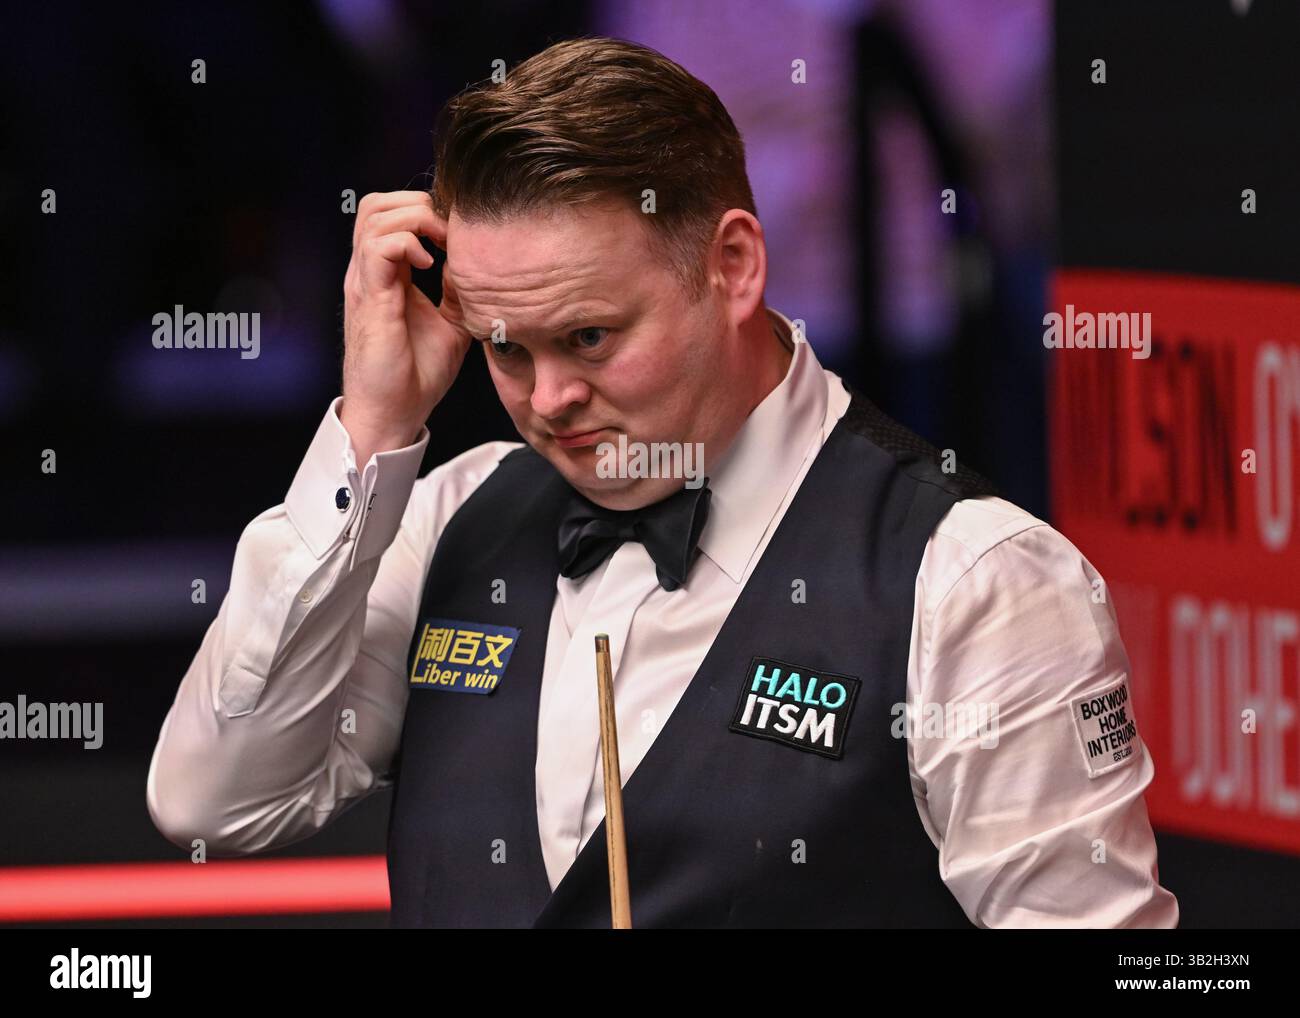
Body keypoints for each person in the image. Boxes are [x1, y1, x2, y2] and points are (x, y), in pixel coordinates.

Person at [147, 36, 1178, 928]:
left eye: (590, 336)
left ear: (732, 266)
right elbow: (213, 800)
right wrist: (372, 436)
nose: (548, 397)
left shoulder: (977, 583)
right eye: (505, 348)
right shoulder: (446, 517)